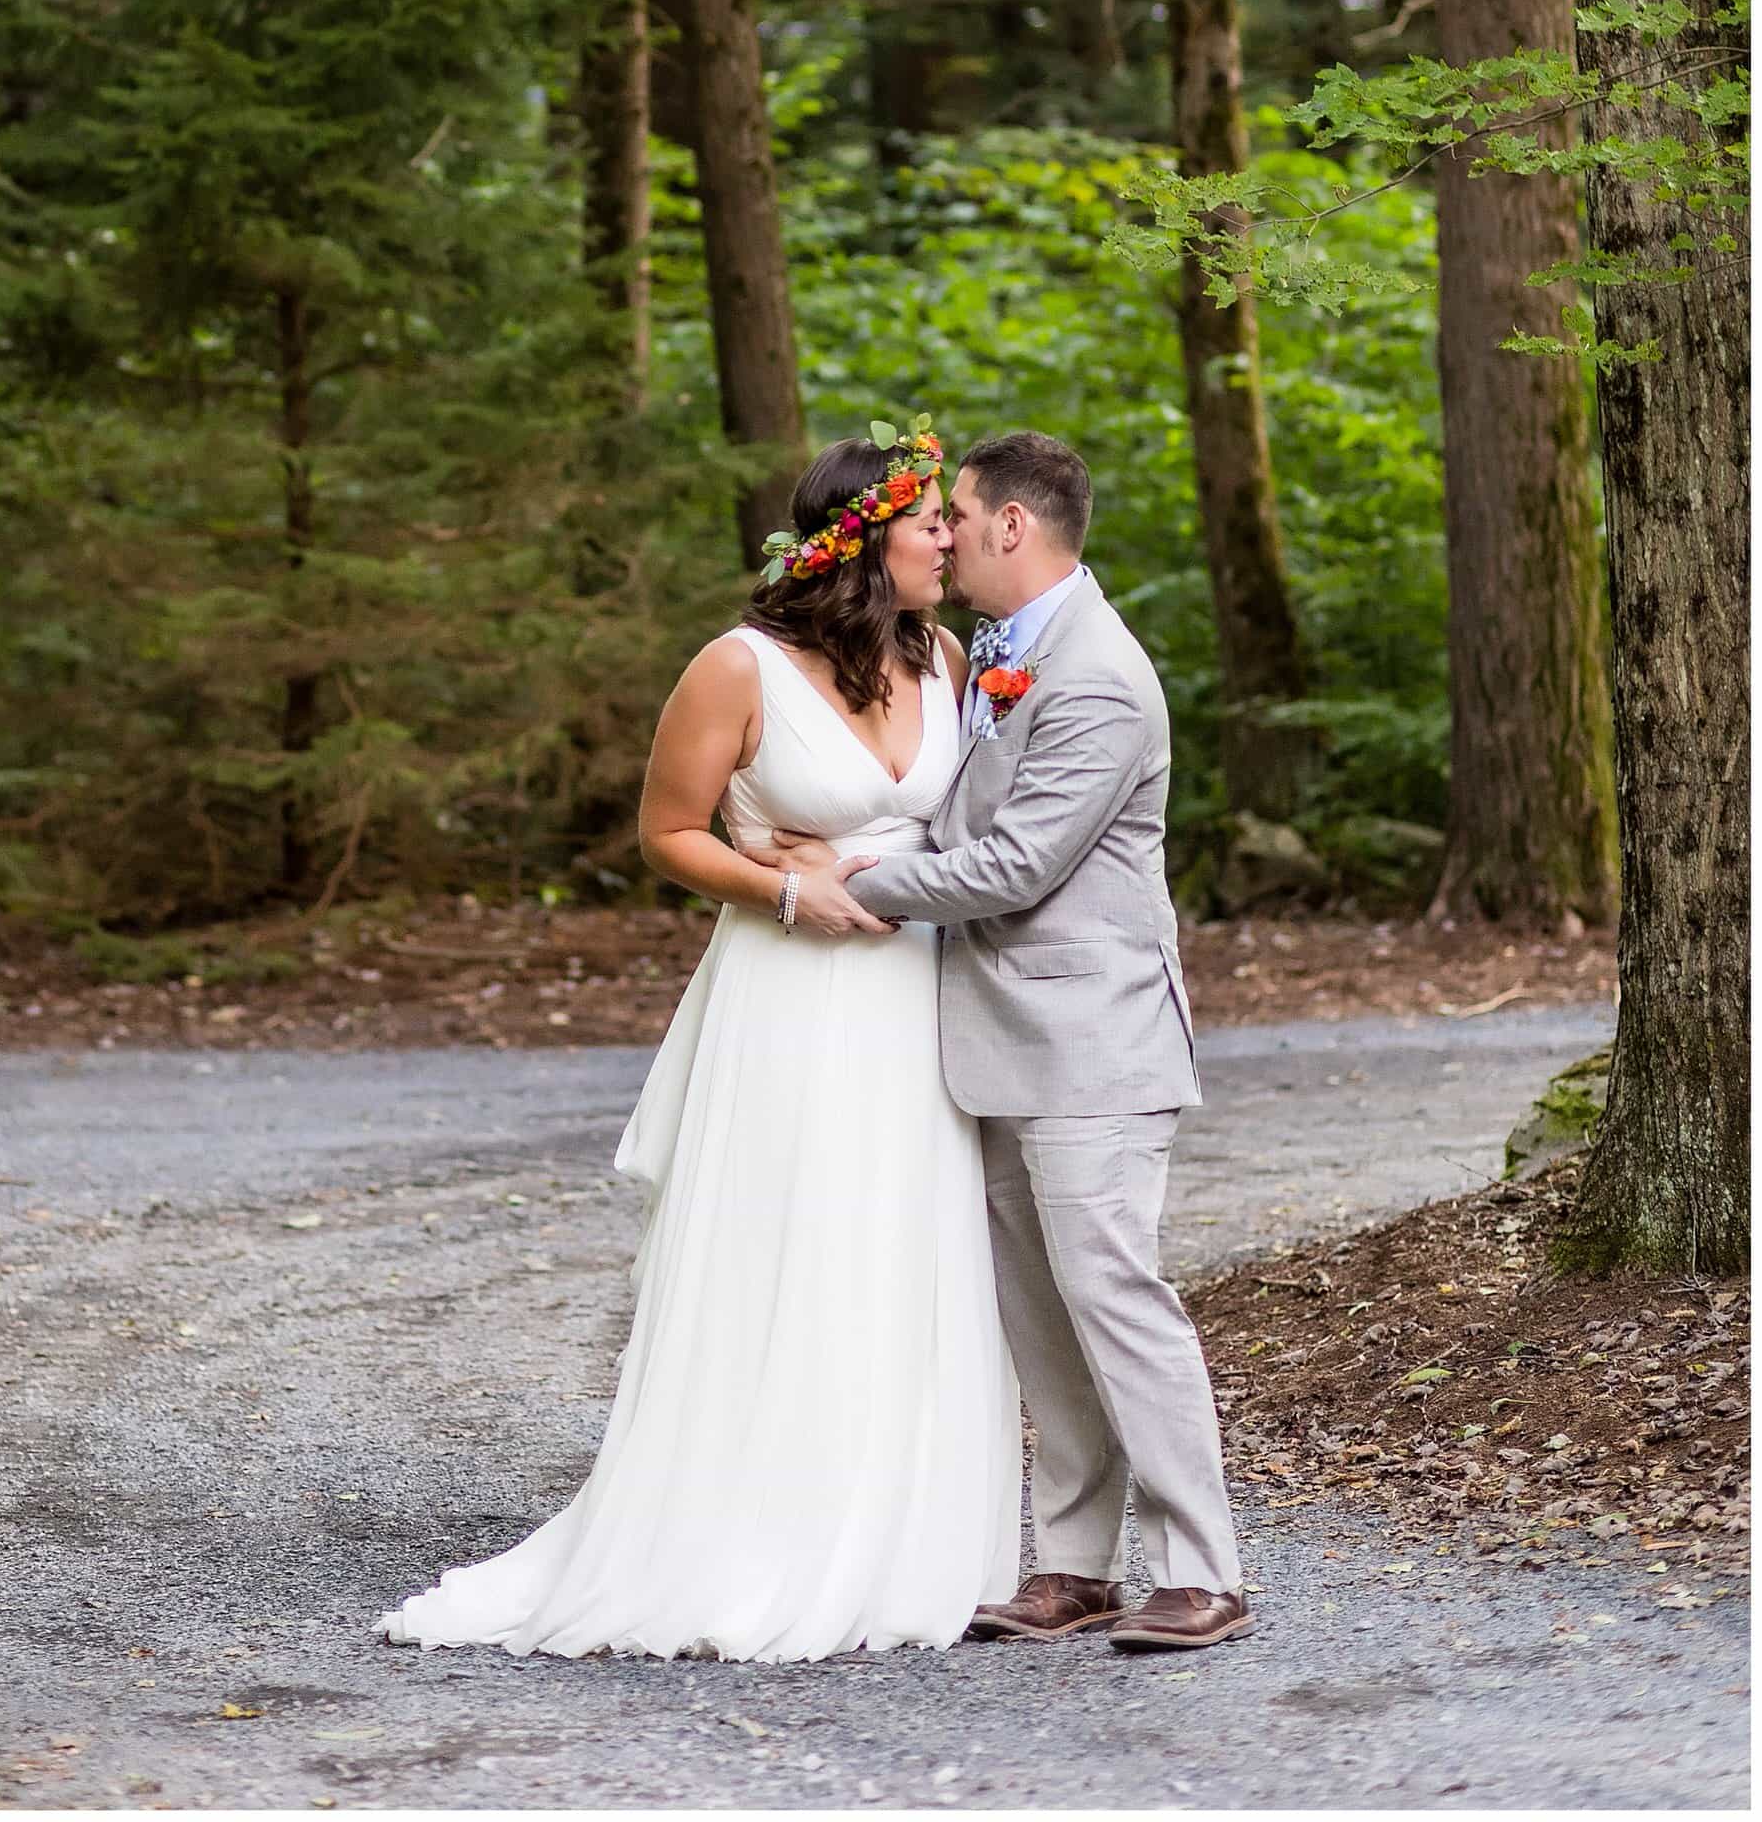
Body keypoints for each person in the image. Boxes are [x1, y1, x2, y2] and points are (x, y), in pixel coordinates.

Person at [380, 420, 1021, 1661]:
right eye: (926, 520)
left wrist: (895, 867)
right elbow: (666, 833)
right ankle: (749, 1537)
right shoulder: (736, 669)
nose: (949, 538)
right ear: (861, 540)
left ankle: (902, 1543)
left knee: (907, 1247)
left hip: (918, 995)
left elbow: (964, 824)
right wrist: (782, 885)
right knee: (790, 1244)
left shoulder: (945, 658)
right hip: (790, 997)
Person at [784, 425, 1250, 1655]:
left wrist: (849, 882)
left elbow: (1015, 864)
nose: (939, 531)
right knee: (1041, 1320)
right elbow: (956, 819)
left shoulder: (1096, 675)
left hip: (1092, 1042)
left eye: (955, 511)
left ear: (1010, 525)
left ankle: (1202, 1571)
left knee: (1117, 1302)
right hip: (999, 1038)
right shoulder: (997, 656)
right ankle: (1078, 1566)